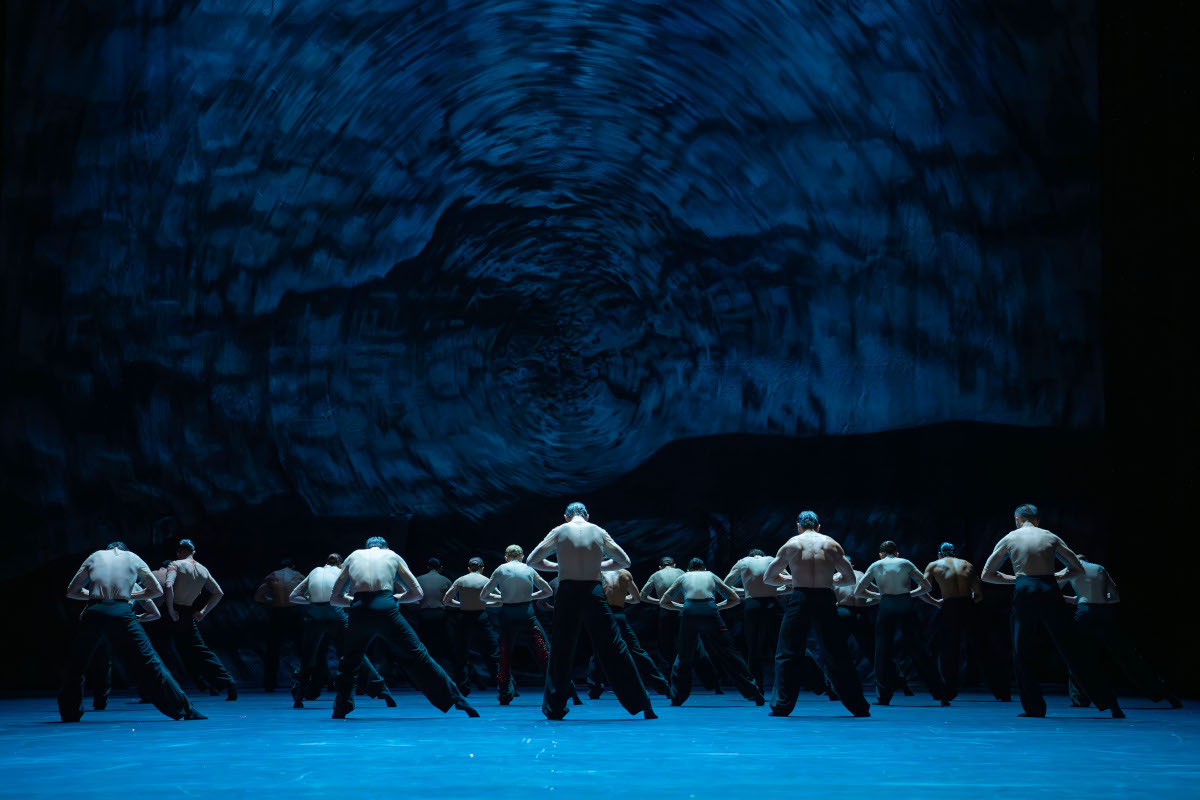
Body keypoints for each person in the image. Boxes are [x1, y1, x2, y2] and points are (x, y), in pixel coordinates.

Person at [981, 504, 1123, 718]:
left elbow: (987, 574)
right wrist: (1054, 577)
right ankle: (1111, 704)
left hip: (1024, 588)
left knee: (1022, 650)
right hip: (1049, 588)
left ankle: (1034, 708)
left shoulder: (1010, 537)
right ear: (1037, 520)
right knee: (1072, 648)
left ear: (1017, 519)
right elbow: (1077, 568)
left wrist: (1019, 579)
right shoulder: (1051, 537)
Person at [526, 502, 655, 720]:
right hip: (593, 591)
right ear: (587, 515)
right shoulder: (599, 531)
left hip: (568, 591)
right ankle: (643, 705)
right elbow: (625, 561)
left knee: (561, 649)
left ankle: (555, 709)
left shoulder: (559, 530)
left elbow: (532, 561)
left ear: (566, 516)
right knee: (614, 646)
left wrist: (560, 567)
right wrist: (599, 567)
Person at [330, 536, 478, 718]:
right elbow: (417, 593)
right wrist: (394, 598)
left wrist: (357, 601)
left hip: (359, 609)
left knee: (350, 661)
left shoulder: (353, 556)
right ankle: (458, 701)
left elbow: (334, 598)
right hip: (386, 607)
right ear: (385, 547)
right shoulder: (392, 556)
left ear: (366, 547)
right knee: (418, 655)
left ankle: (340, 709)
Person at [59, 542, 205, 722]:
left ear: (108, 549)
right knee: (151, 662)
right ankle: (186, 710)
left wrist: (101, 595)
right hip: (121, 611)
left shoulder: (95, 556)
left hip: (95, 610)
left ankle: (69, 714)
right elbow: (155, 591)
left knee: (76, 665)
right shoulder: (133, 557)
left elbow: (71, 592)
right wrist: (126, 594)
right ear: (124, 550)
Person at [763, 511, 870, 717]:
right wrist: (830, 580)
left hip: (800, 596)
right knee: (837, 652)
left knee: (788, 651)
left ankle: (782, 706)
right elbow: (849, 579)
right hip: (825, 597)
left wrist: (792, 580)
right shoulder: (831, 544)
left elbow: (769, 578)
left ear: (798, 526)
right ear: (818, 526)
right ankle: (859, 707)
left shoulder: (791, 544)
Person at [1061, 554, 1180, 709]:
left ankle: (1081, 698)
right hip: (1105, 612)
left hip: (1084, 612)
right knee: (1128, 656)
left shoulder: (1071, 569)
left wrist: (1077, 599)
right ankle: (1163, 693)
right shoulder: (1099, 569)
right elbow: (1115, 596)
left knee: (1079, 655)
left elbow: (1053, 592)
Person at [287, 553, 393, 708]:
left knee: (308, 656)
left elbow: (293, 596)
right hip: (335, 611)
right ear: (340, 564)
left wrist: (314, 600)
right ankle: (381, 690)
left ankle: (299, 696)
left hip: (315, 614)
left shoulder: (314, 571)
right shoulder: (342, 572)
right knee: (352, 653)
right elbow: (355, 596)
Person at [657, 558, 763, 706]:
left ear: (688, 569)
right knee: (729, 653)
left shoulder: (684, 576)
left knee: (684, 655)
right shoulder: (711, 575)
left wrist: (682, 608)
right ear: (704, 568)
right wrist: (715, 607)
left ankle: (677, 698)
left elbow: (663, 602)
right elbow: (735, 599)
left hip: (689, 610)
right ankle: (754, 693)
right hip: (709, 609)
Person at [854, 540, 947, 706]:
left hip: (886, 605)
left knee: (882, 652)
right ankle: (940, 692)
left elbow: (859, 591)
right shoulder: (905, 563)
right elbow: (926, 587)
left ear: (881, 554)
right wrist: (908, 594)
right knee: (918, 649)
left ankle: (883, 697)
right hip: (905, 604)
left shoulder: (876, 564)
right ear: (897, 553)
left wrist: (880, 596)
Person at [921, 543, 1010, 702]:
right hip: (968, 605)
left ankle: (947, 693)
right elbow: (979, 594)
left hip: (950, 606)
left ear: (940, 554)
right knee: (983, 648)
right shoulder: (966, 564)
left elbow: (923, 589)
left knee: (949, 649)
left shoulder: (934, 565)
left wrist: (935, 602)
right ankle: (1002, 692)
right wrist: (968, 605)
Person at [479, 545, 555, 704]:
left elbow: (484, 595)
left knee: (505, 654)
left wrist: (503, 598)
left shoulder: (500, 569)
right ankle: (558, 689)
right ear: (522, 556)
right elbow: (548, 591)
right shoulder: (528, 569)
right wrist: (531, 595)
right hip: (527, 612)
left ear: (506, 557)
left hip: (507, 614)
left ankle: (504, 694)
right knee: (544, 652)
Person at [165, 539, 237, 700]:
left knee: (164, 649)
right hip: (188, 612)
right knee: (199, 650)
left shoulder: (176, 565)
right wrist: (204, 612)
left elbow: (169, 585)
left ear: (180, 552)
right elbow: (219, 592)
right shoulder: (203, 570)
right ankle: (225, 682)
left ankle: (168, 691)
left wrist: (170, 610)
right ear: (194, 551)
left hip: (174, 611)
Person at [585, 567, 672, 699]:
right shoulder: (625, 573)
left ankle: (594, 690)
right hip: (619, 616)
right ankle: (663, 687)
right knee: (637, 652)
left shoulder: (595, 572)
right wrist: (621, 597)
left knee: (598, 653)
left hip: (604, 616)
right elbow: (636, 599)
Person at [641, 556, 723, 693]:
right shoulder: (681, 573)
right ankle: (713, 684)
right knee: (696, 647)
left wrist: (661, 602)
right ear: (674, 565)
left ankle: (669, 684)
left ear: (660, 566)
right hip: (683, 611)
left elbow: (643, 596)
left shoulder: (656, 574)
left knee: (666, 648)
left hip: (666, 612)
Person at [725, 549, 791, 693]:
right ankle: (787, 686)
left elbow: (726, 586)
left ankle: (757, 689)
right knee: (782, 645)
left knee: (754, 649)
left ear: (751, 556)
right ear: (762, 555)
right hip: (772, 604)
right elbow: (791, 584)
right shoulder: (771, 560)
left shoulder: (743, 562)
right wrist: (775, 591)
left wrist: (747, 590)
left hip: (752, 605)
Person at [442, 557, 502, 695]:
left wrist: (461, 604)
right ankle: (504, 688)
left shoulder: (460, 580)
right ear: (482, 568)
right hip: (481, 617)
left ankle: (462, 689)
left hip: (464, 617)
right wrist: (485, 603)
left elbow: (446, 601)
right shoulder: (486, 581)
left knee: (461, 653)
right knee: (493, 653)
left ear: (469, 568)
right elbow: (500, 600)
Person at [253, 558, 305, 692]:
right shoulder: (299, 576)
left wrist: (273, 600)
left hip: (278, 613)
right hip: (294, 613)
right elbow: (309, 595)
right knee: (303, 650)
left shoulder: (273, 575)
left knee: (272, 650)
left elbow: (258, 597)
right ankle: (306, 682)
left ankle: (269, 684)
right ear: (293, 566)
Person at [415, 558, 454, 672]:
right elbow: (450, 602)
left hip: (424, 615)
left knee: (424, 643)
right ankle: (444, 671)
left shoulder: (418, 580)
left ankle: (424, 671)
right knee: (442, 644)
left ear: (427, 567)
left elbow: (414, 601)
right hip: (440, 614)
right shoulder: (446, 580)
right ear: (440, 568)